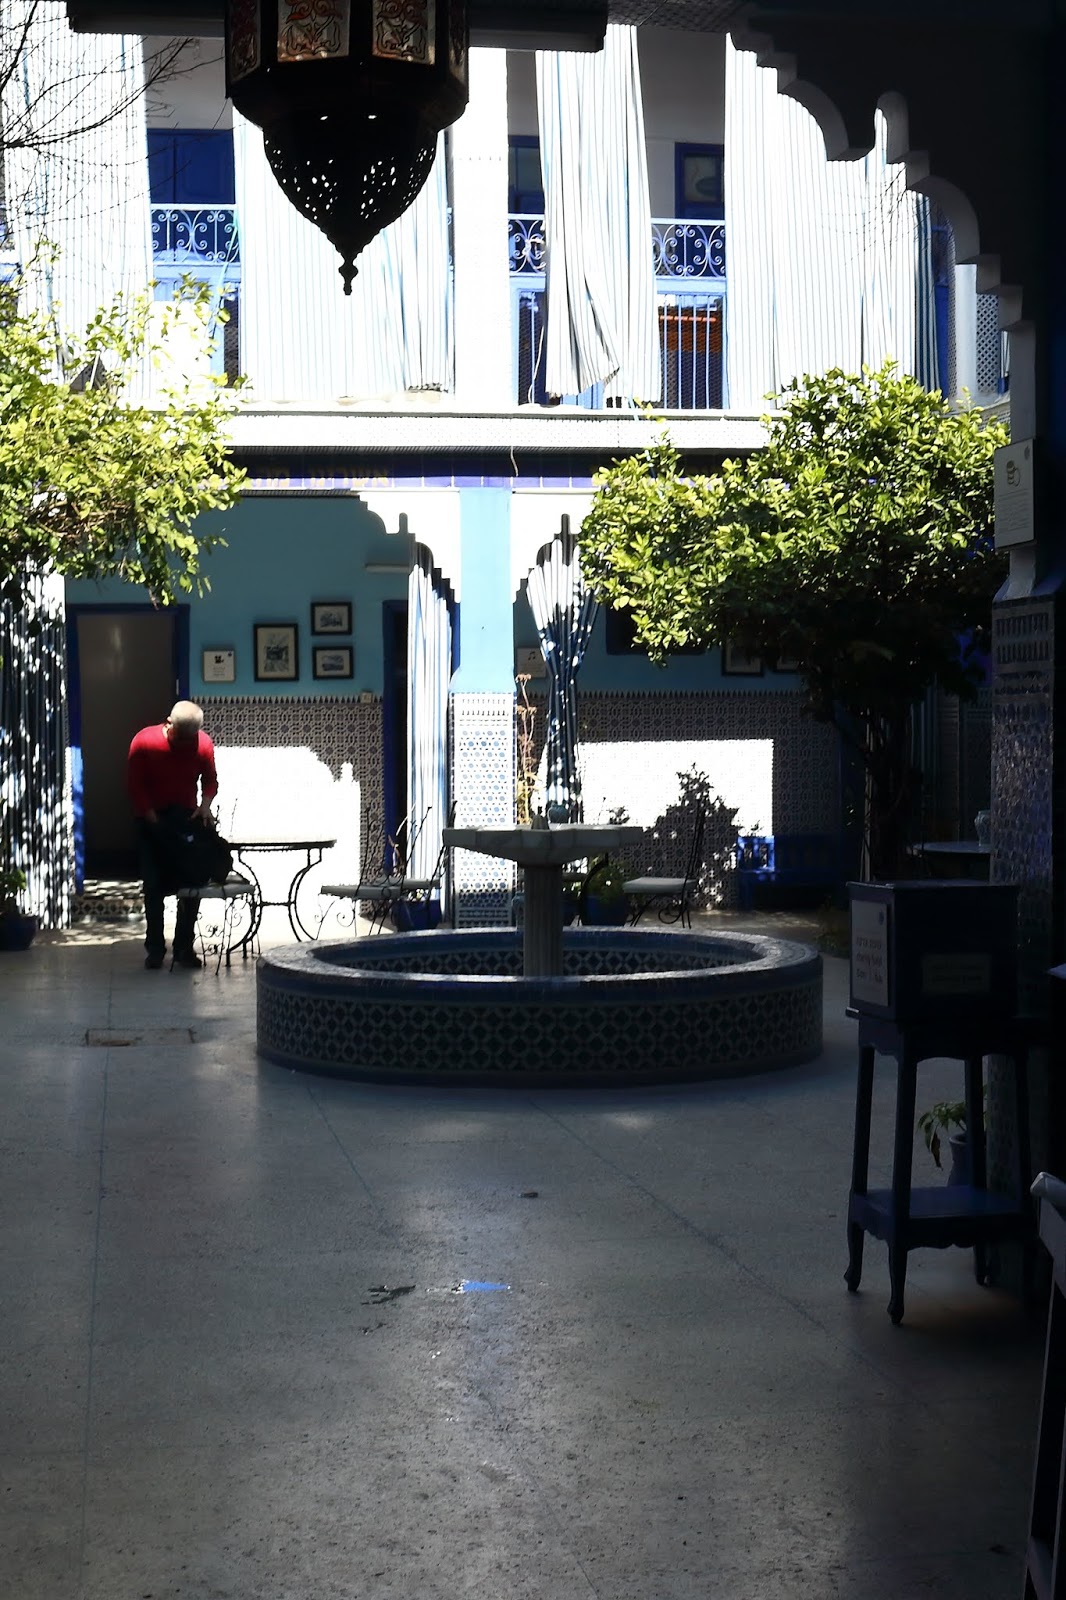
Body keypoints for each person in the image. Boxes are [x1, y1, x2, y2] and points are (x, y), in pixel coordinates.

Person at [127, 700, 219, 970]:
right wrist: (151, 816)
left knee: (191, 887)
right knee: (154, 887)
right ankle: (155, 949)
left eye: (190, 739)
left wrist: (205, 805)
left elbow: (211, 780)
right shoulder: (144, 742)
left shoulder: (202, 743)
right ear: (169, 723)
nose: (185, 744)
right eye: (181, 738)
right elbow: (135, 784)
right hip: (152, 822)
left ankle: (184, 948)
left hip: (186, 820)